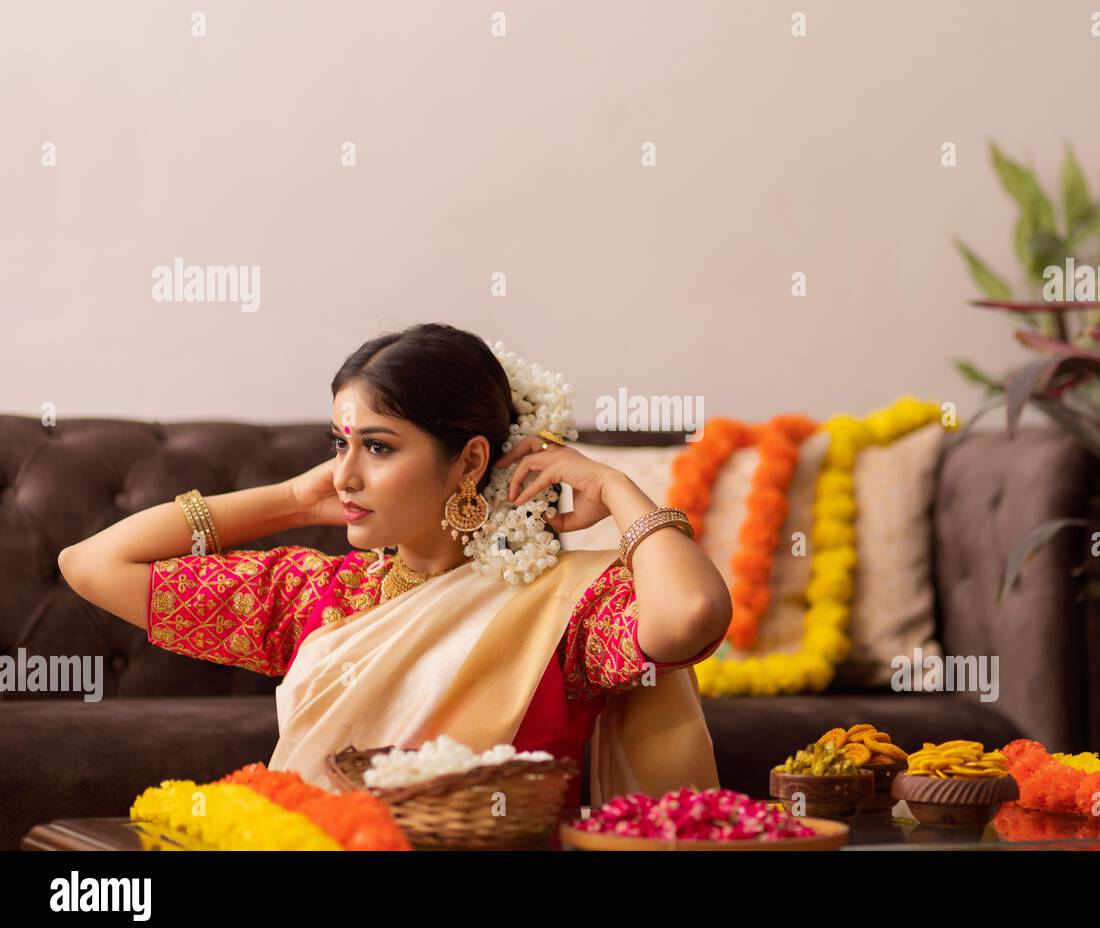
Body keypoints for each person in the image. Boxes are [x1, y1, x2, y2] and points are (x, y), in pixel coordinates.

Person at [59, 323, 731, 808]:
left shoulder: (565, 602)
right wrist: (291, 497)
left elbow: (692, 615)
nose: (344, 475)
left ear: (468, 462)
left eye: (377, 448)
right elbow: (91, 563)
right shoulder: (315, 591)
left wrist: (617, 488)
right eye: (339, 444)